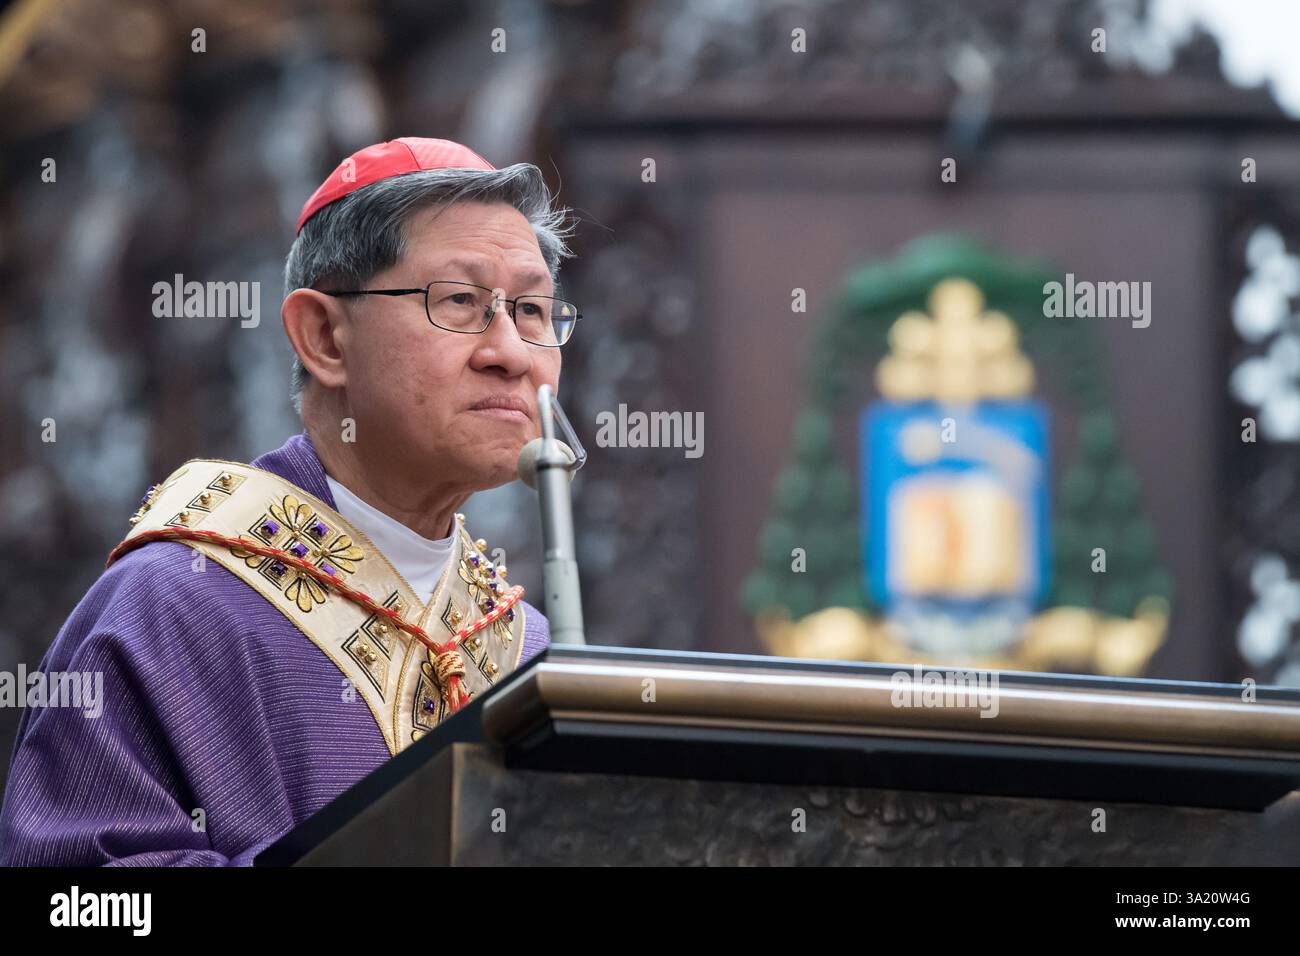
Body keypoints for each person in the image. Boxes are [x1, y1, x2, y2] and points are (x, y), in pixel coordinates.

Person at [0, 137, 578, 865]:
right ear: (324, 337)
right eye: (461, 301)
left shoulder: (525, 644)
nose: (513, 351)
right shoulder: (172, 605)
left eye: (532, 310)